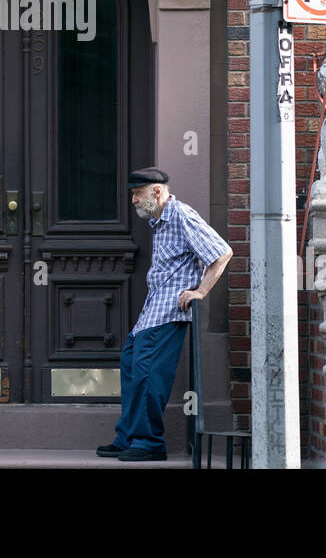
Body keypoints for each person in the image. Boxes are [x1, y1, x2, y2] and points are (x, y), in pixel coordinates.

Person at [98, 167, 232, 461]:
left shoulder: (181, 215)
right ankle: (128, 438)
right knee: (131, 365)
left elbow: (222, 252)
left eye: (137, 193)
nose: (133, 200)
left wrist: (200, 291)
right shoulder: (159, 222)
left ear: (157, 191)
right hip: (152, 309)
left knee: (147, 372)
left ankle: (148, 443)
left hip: (169, 311)